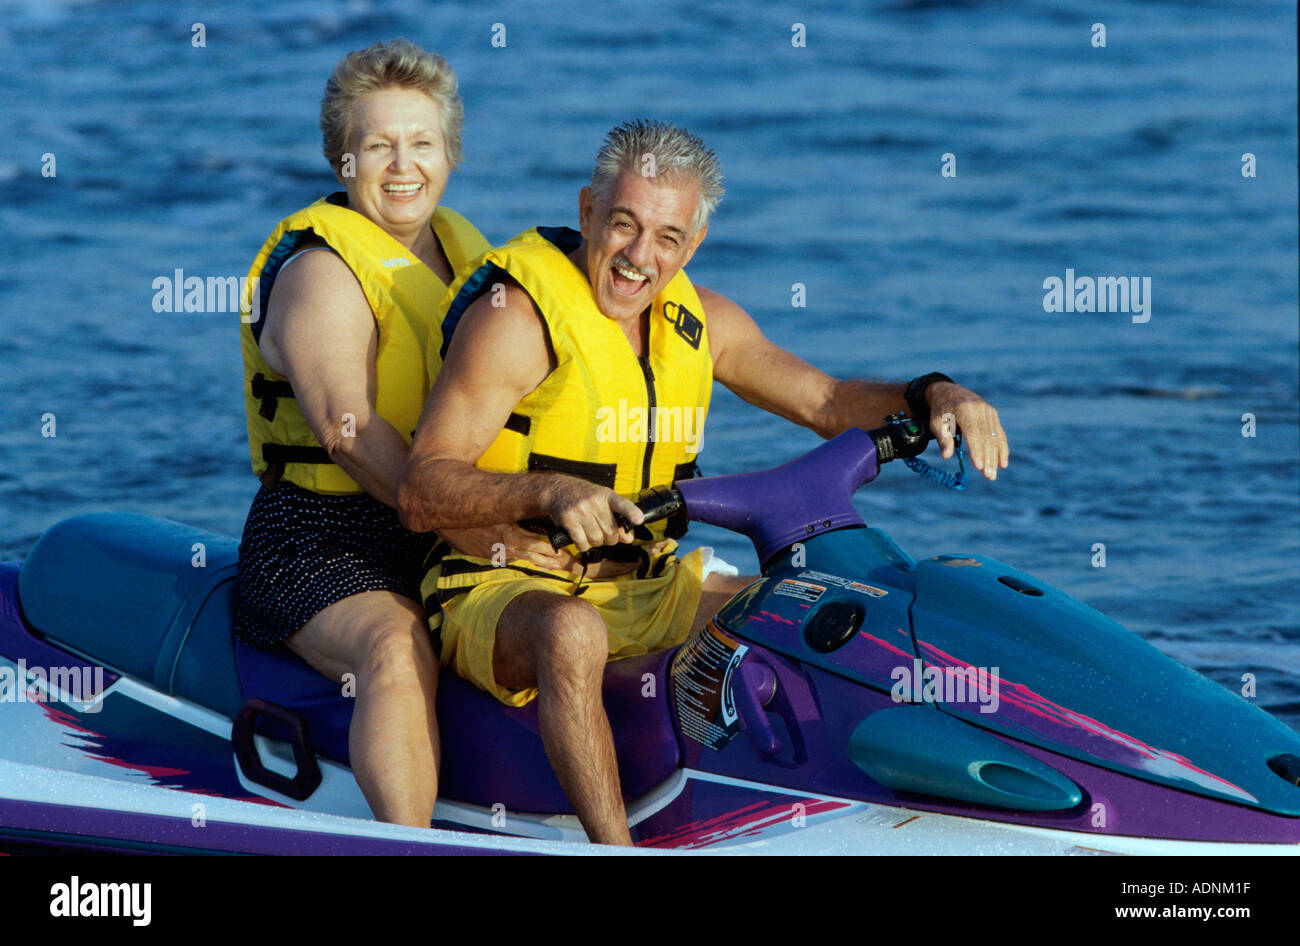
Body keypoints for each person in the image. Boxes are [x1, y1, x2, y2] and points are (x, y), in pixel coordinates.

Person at [397, 119, 1010, 845]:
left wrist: (936, 391)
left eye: (666, 237)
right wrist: (547, 494)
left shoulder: (704, 322)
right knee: (573, 632)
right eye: (623, 224)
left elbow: (827, 402)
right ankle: (614, 845)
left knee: (819, 612)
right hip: (499, 590)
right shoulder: (517, 322)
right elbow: (420, 489)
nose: (637, 257)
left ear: (692, 245)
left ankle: (899, 811)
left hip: (649, 587)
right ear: (589, 211)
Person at [234, 40, 560, 828]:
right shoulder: (320, 273)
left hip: (445, 523)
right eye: (377, 145)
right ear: (341, 159)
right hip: (320, 537)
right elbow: (347, 432)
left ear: (451, 153)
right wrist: (487, 530)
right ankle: (409, 845)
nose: (402, 165)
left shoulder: (467, 252)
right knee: (395, 643)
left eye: (421, 142)